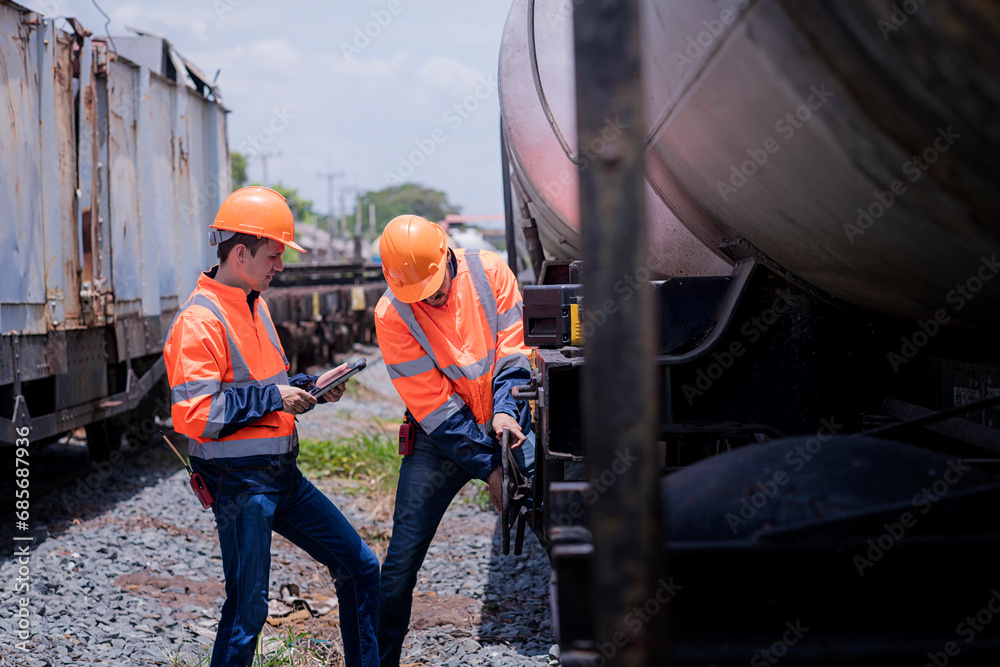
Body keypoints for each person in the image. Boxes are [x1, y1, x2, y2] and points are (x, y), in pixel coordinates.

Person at [163, 186, 380, 667]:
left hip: (282, 477)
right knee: (248, 612)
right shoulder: (199, 321)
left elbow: (266, 385)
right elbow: (196, 416)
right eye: (274, 255)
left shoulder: (255, 304)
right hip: (239, 486)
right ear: (241, 254)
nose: (280, 265)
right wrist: (275, 397)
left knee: (361, 567)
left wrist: (309, 386)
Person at [373, 215, 535, 667]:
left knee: (562, 526)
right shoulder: (391, 314)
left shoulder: (490, 272)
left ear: (446, 255)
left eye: (435, 288)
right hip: (438, 439)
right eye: (418, 295)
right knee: (401, 562)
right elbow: (437, 410)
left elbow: (515, 352)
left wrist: (506, 412)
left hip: (506, 420)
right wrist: (492, 467)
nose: (430, 299)